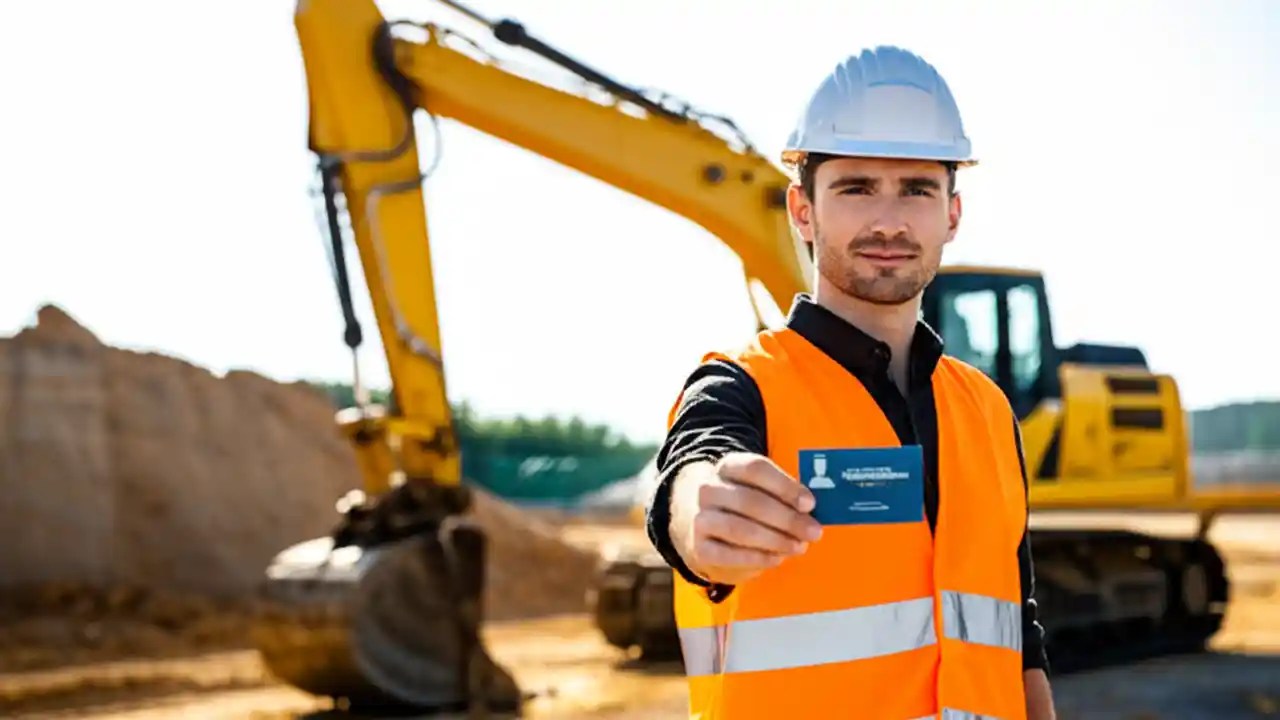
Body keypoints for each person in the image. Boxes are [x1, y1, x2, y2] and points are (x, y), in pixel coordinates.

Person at [645, 46, 1057, 719]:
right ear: (802, 211)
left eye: (917, 189)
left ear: (953, 213)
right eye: (857, 187)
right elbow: (693, 475)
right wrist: (698, 516)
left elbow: (1019, 631)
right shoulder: (741, 384)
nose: (889, 222)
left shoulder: (985, 410)